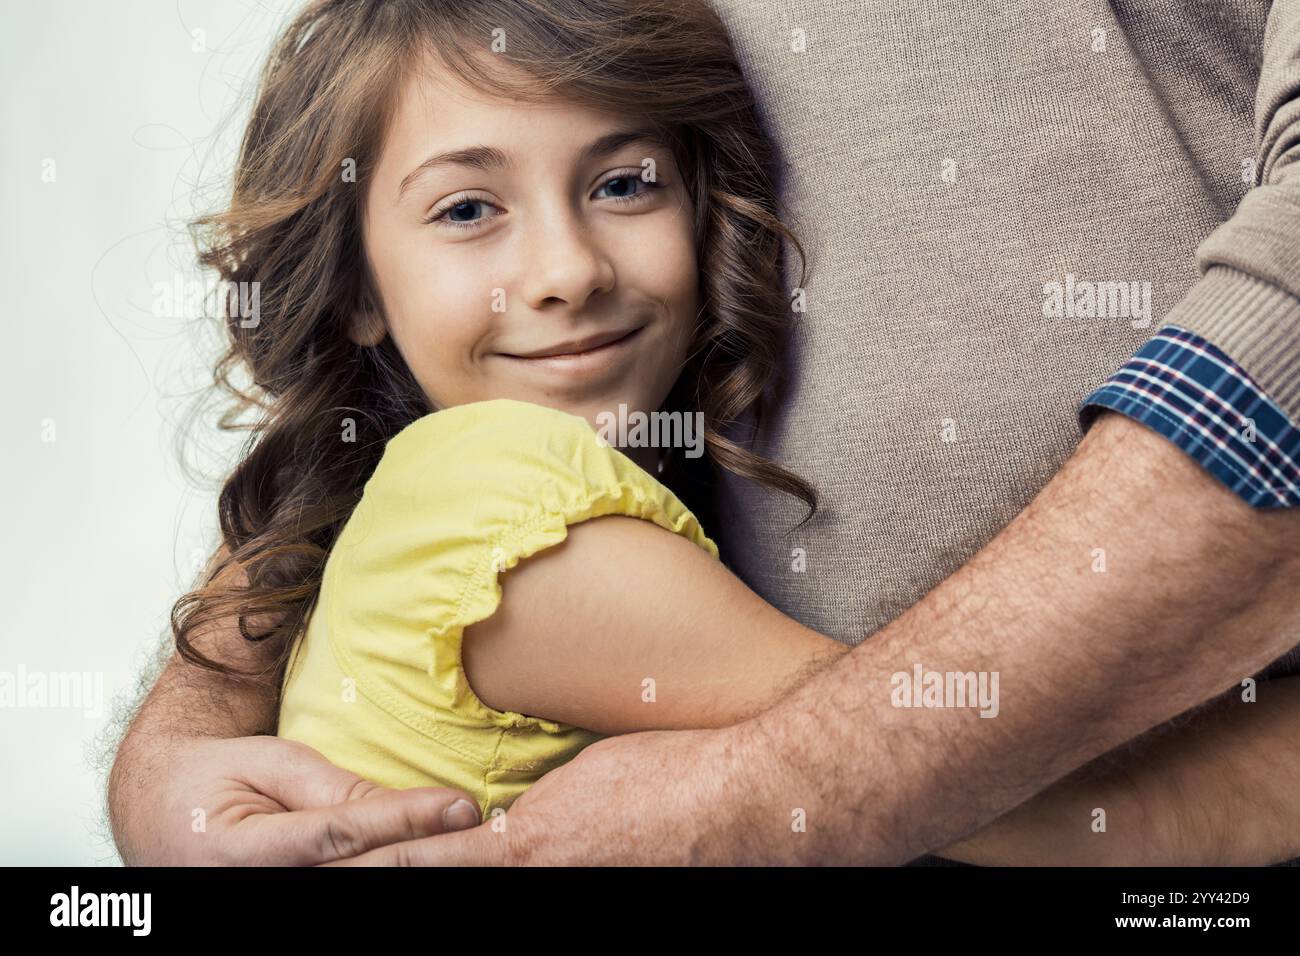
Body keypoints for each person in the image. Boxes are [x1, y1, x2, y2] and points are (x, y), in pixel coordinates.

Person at [108, 0, 1300, 866]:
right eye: (468, 209)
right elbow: (1006, 799)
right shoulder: (503, 503)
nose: (568, 270)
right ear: (357, 287)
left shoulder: (475, 487)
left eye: (625, 183)